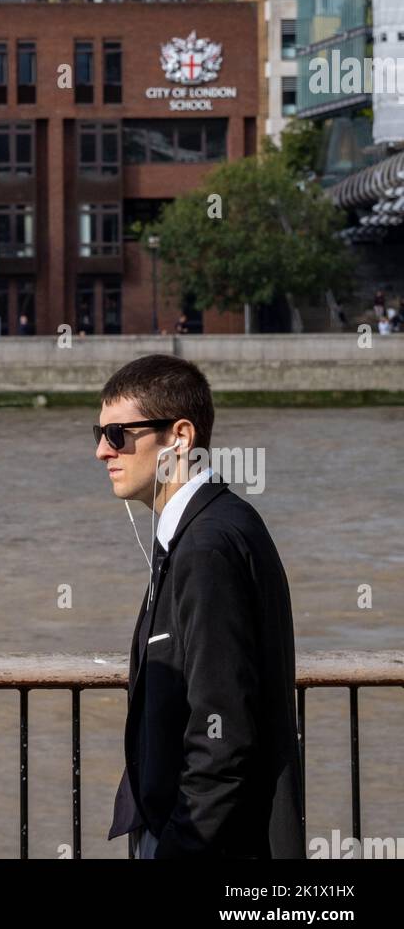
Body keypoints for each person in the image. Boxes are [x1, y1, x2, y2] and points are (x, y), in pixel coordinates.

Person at [98, 353, 304, 859]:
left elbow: (223, 733)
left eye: (119, 435)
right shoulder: (212, 527)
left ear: (180, 437)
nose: (103, 451)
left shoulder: (207, 546)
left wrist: (178, 848)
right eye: (99, 434)